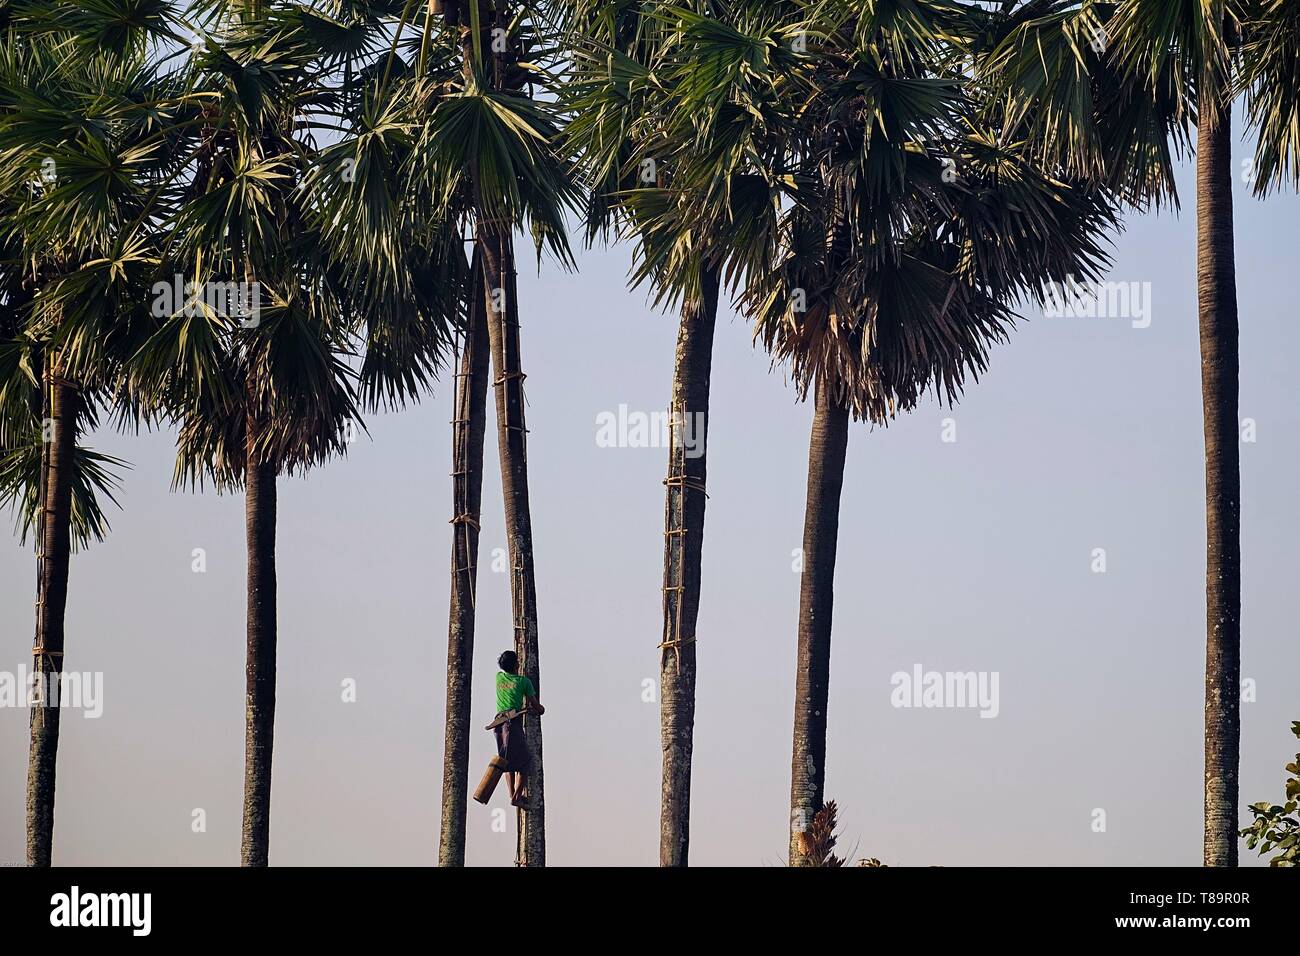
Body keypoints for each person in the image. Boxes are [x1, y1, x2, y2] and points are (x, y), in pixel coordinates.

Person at [492, 650, 543, 807]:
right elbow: (537, 707)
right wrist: (541, 709)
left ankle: (511, 793)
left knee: (507, 761)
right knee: (525, 762)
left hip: (498, 724)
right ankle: (516, 797)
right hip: (512, 724)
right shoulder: (524, 682)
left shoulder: (498, 678)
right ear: (516, 665)